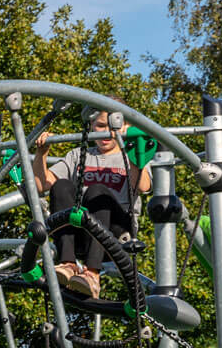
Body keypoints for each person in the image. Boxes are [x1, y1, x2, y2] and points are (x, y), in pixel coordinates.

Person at [31, 109, 150, 298]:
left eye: (113, 127)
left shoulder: (131, 155)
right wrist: (42, 153)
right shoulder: (78, 155)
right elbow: (40, 185)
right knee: (61, 185)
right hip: (82, 232)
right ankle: (68, 264)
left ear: (125, 127)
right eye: (101, 126)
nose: (106, 133)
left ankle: (92, 273)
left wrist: (132, 145)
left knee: (97, 191)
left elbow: (143, 186)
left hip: (116, 232)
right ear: (92, 126)